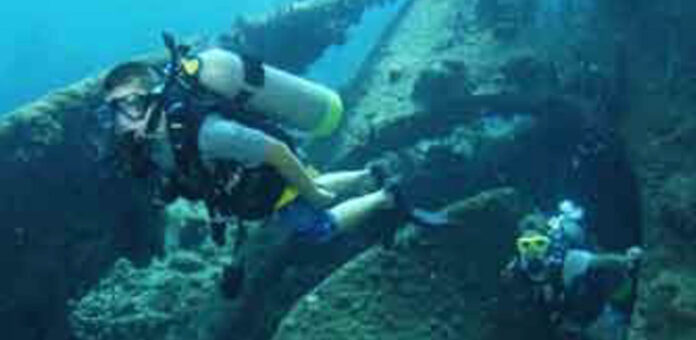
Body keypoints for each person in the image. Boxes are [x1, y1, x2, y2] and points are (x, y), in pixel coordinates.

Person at [100, 49, 444, 298]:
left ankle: (386, 196)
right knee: (301, 192)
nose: (118, 123)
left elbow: (275, 151)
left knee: (317, 229)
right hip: (256, 181)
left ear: (146, 101)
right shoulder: (157, 138)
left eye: (124, 107)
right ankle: (369, 174)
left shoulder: (207, 133)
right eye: (113, 111)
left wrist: (313, 194)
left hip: (268, 173)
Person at [504, 200, 642, 340]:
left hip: (593, 317)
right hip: (563, 325)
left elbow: (601, 261)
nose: (532, 252)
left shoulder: (569, 260)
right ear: (518, 248)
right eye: (525, 245)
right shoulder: (516, 273)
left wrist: (627, 261)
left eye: (539, 244)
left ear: (549, 245)